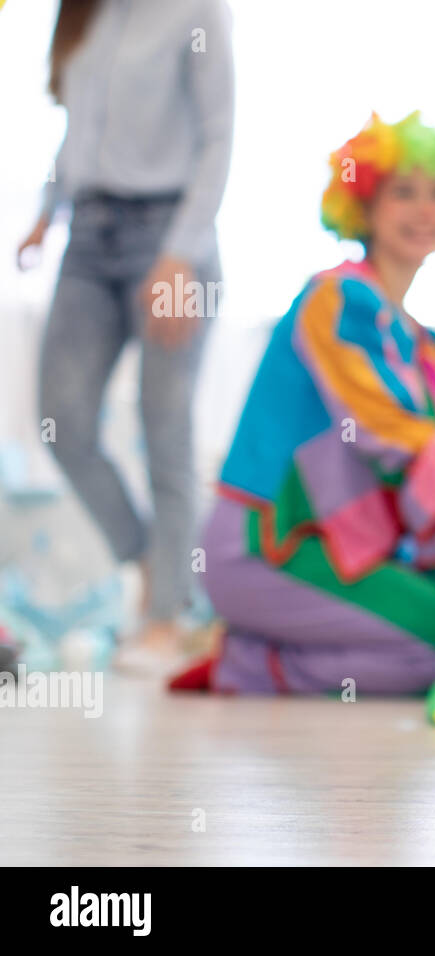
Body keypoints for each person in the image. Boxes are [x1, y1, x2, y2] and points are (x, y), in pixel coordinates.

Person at [167, 112, 435, 694]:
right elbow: (395, 436)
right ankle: (245, 666)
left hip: (344, 552)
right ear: (365, 204)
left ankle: (257, 647)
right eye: (404, 192)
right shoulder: (337, 299)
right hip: (262, 544)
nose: (425, 209)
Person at [15, 0, 235, 672]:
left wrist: (177, 256)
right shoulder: (85, 12)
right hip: (86, 236)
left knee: (163, 427)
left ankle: (167, 615)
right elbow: (78, 131)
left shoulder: (196, 10)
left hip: (169, 237)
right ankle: (153, 562)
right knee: (63, 421)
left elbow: (217, 137)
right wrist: (44, 213)